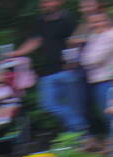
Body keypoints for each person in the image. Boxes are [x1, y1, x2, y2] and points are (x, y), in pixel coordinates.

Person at [14, 0, 85, 137]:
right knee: (47, 104)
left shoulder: (68, 18)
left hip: (68, 70)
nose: (45, 4)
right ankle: (81, 127)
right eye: (43, 2)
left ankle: (76, 138)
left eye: (48, 1)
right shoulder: (40, 20)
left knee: (75, 105)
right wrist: (17, 53)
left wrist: (73, 62)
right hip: (48, 71)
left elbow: (77, 41)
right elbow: (35, 40)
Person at [80, 8, 113, 152]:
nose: (96, 24)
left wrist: (88, 57)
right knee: (108, 114)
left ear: (107, 20)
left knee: (112, 115)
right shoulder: (97, 37)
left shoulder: (112, 35)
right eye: (93, 22)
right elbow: (86, 59)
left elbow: (93, 59)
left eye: (99, 21)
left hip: (109, 80)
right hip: (100, 80)